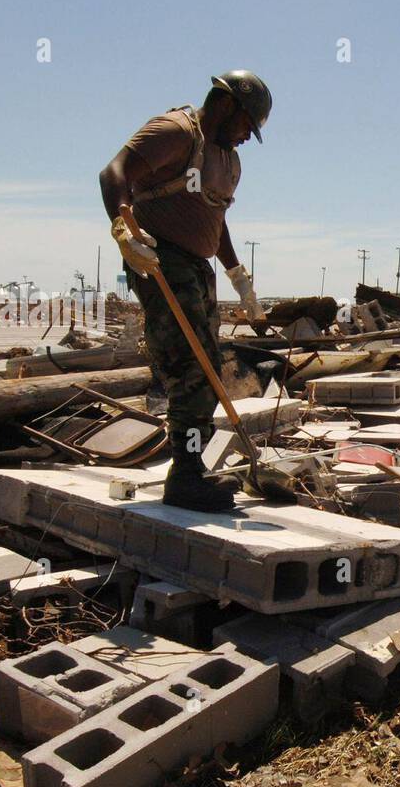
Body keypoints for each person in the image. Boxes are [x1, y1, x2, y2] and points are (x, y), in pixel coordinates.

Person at [99, 71, 271, 512]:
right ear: (228, 105)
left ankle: (191, 468)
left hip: (196, 265)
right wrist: (123, 229)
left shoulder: (227, 159)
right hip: (159, 258)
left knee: (208, 363)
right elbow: (113, 172)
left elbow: (215, 218)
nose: (247, 138)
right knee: (192, 365)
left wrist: (238, 277)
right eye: (247, 126)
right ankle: (186, 477)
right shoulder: (177, 132)